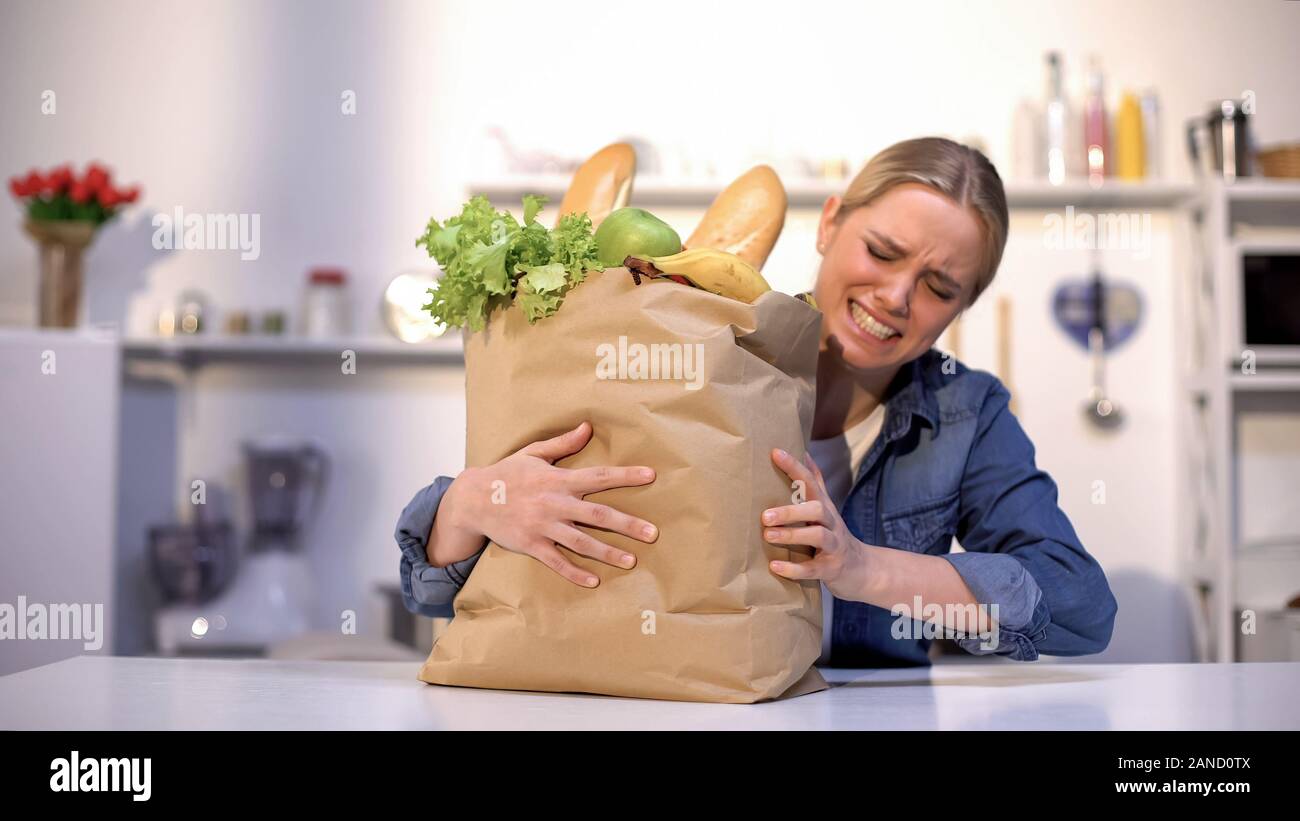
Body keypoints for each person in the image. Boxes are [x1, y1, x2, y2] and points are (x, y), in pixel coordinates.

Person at [395, 136, 1117, 667]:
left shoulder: (965, 412)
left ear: (965, 306)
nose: (897, 296)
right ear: (831, 222)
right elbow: (426, 593)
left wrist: (864, 568)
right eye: (884, 252)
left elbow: (1082, 607)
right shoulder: (696, 347)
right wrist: (472, 502)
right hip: (661, 705)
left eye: (939, 286)